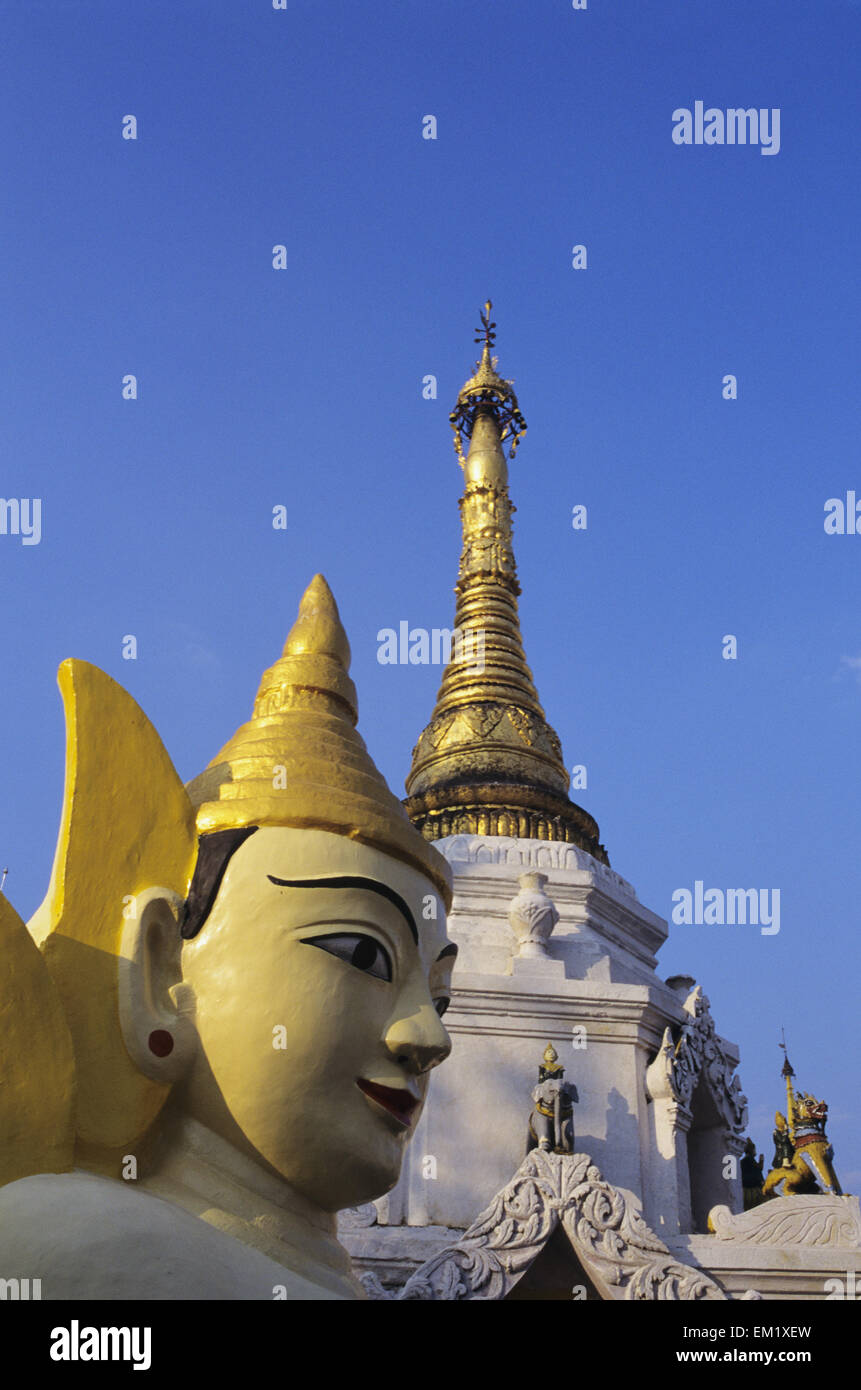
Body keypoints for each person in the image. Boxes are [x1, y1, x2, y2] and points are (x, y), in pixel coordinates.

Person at [0, 575, 455, 1299]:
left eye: (441, 996)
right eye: (363, 954)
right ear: (157, 978)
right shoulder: (73, 1245)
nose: (429, 1036)